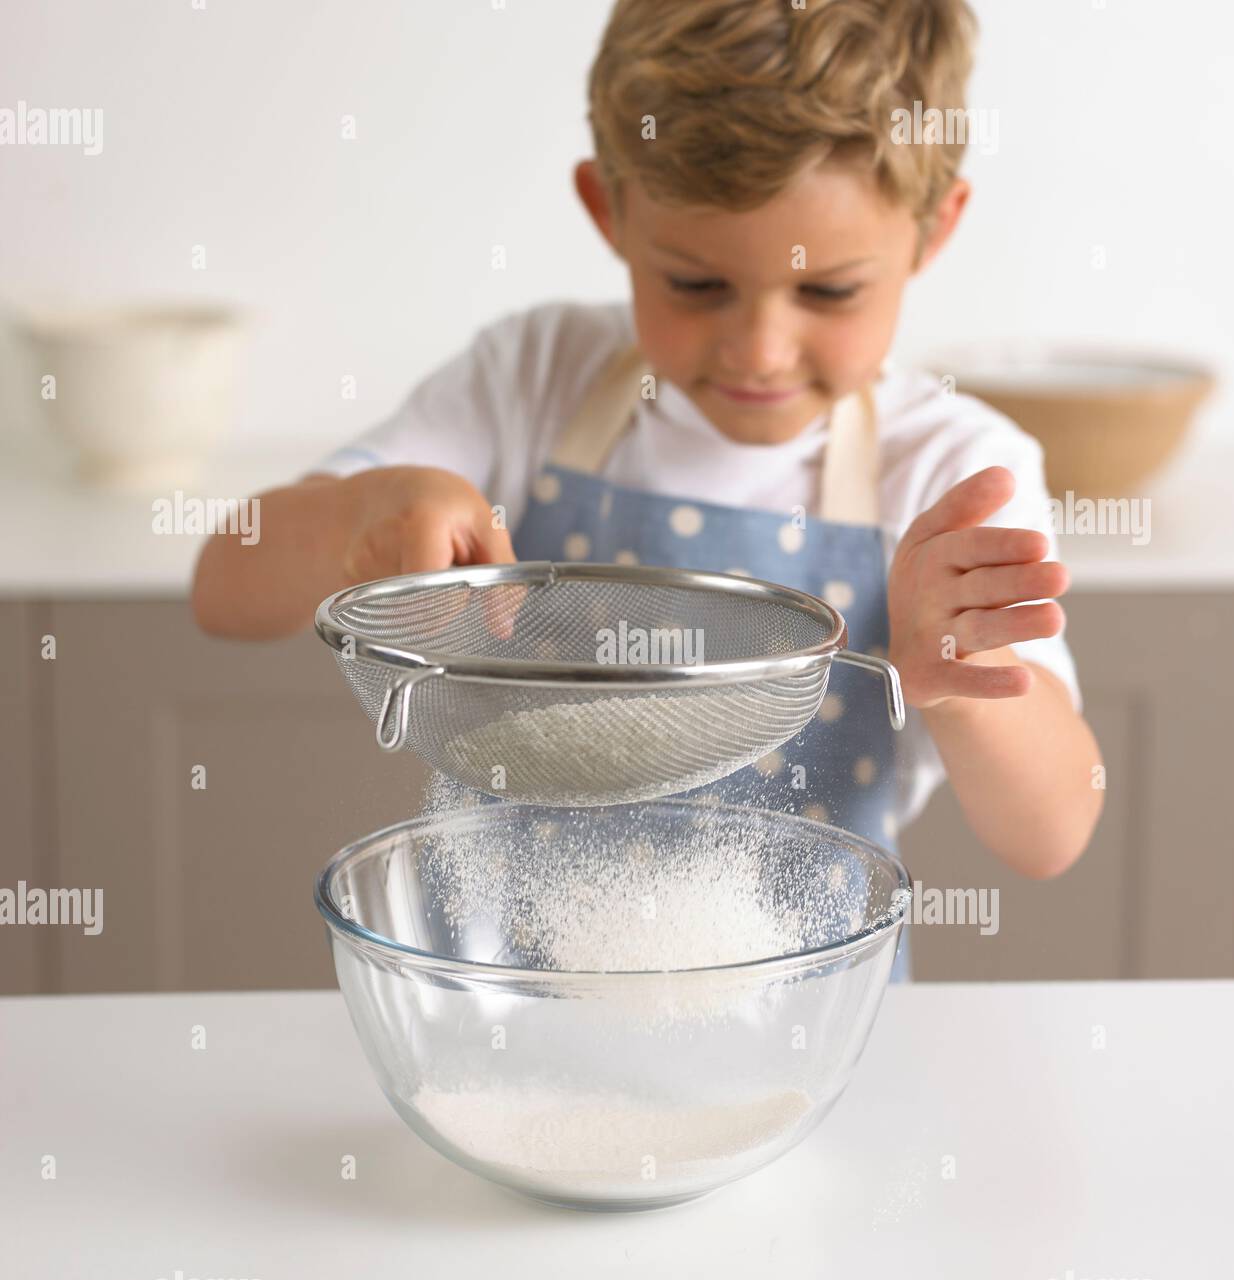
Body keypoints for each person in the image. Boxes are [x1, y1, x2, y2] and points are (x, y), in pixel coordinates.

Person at [192, 0, 1103, 982]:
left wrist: (960, 686)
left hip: (797, 1038)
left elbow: (1050, 832)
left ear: (933, 229)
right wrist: (355, 520)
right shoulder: (530, 377)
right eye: (695, 285)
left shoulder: (947, 467)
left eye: (828, 292)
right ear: (609, 211)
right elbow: (223, 587)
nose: (758, 347)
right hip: (501, 1017)